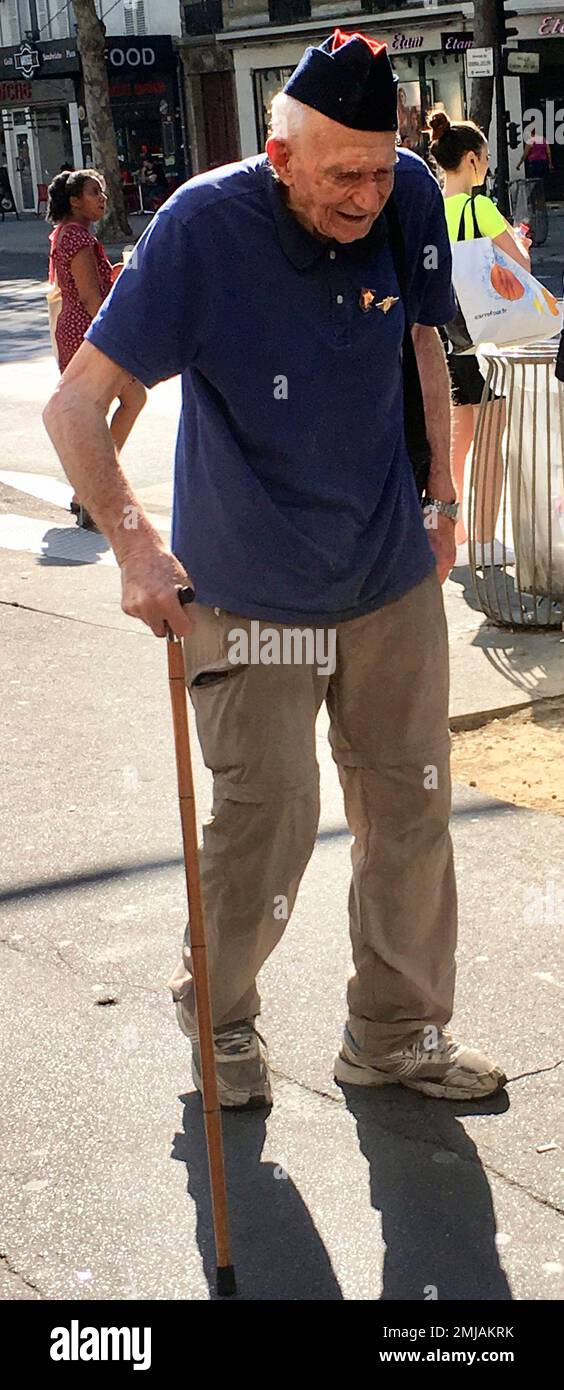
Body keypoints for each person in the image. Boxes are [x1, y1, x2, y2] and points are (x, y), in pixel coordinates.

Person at [44, 31, 506, 1109]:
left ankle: (395, 1032)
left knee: (411, 808)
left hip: (387, 567)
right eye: (341, 174)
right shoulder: (203, 227)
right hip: (248, 583)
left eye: (379, 168)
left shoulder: (407, 195)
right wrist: (136, 544)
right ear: (280, 153)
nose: (366, 196)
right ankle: (219, 1015)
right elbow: (74, 405)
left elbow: (423, 341)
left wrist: (442, 496)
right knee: (271, 819)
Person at [429, 110, 532, 558]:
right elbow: (520, 268)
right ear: (471, 159)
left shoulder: (432, 208)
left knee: (458, 440)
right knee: (491, 440)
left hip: (444, 333)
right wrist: (519, 242)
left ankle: (455, 532)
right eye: (486, 158)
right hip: (483, 334)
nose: (487, 166)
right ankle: (486, 540)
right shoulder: (479, 207)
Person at [47, 170, 146, 527]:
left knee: (106, 408)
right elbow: (91, 298)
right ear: (75, 201)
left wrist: (110, 275)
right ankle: (92, 490)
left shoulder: (67, 234)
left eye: (103, 191)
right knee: (126, 401)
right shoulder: (78, 238)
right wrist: (114, 338)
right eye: (94, 192)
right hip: (87, 333)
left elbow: (84, 286)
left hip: (76, 331)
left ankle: (87, 491)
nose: (102, 198)